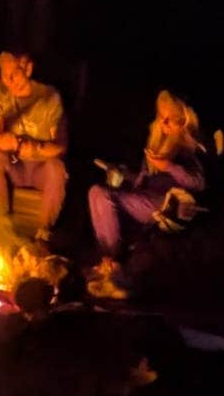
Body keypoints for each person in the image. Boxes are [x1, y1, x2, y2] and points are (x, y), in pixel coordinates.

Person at [86, 88, 207, 298]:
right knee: (96, 191)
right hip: (146, 197)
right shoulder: (157, 139)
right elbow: (144, 179)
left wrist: (168, 166)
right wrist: (126, 175)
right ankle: (107, 256)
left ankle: (111, 260)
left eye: (171, 119)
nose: (164, 123)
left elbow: (197, 183)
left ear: (184, 121)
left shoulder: (188, 147)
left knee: (107, 198)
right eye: (161, 117)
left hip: (167, 204)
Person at [0, 50, 68, 242]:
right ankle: (0, 222)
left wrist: (36, 148)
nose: (7, 81)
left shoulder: (49, 96)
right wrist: (11, 142)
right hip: (14, 165)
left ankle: (44, 232)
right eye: (4, 75)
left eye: (13, 75)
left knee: (57, 167)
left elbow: (60, 146)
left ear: (27, 69)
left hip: (40, 168)